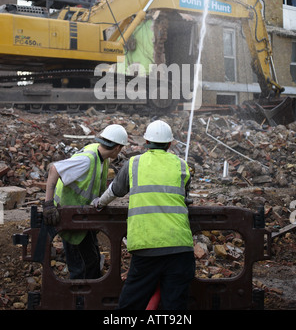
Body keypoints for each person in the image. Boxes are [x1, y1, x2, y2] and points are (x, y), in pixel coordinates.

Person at [92, 119, 195, 310]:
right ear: (170, 144)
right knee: (175, 307)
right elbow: (184, 197)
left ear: (146, 143)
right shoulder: (182, 165)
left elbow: (114, 191)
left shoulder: (134, 164)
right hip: (180, 248)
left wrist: (98, 204)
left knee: (130, 305)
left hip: (147, 247)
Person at [43, 123, 128, 280]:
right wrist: (48, 204)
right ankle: (80, 301)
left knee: (92, 260)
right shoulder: (87, 160)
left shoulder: (101, 156)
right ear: (116, 148)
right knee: (80, 267)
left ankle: (91, 296)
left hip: (82, 217)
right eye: (121, 148)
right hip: (69, 217)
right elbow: (54, 169)